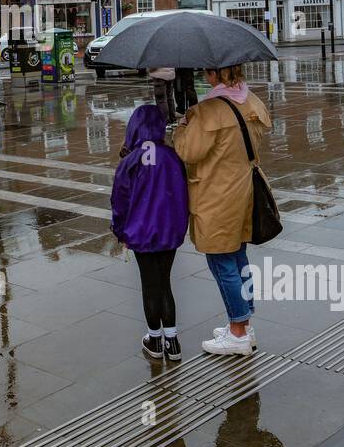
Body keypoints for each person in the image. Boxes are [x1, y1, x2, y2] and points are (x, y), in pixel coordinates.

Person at [173, 63, 272, 357]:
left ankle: (238, 332)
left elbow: (188, 151)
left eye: (207, 71)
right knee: (239, 255)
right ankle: (243, 322)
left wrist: (181, 127)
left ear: (215, 74)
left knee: (220, 260)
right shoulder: (250, 100)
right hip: (245, 190)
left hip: (217, 194)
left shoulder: (208, 110)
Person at [110, 103, 190, 361]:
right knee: (165, 283)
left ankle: (154, 339)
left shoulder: (130, 161)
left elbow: (119, 202)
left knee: (149, 284)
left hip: (140, 231)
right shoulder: (172, 156)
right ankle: (173, 341)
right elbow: (182, 196)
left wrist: (120, 231)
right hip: (168, 231)